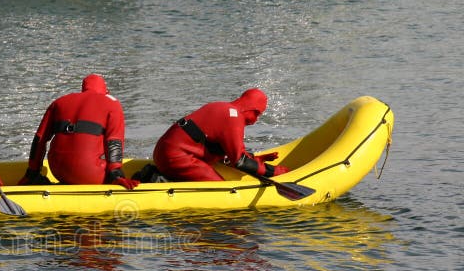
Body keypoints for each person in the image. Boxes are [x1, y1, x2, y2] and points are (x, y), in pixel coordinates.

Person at [18, 74, 139, 189]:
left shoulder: (59, 102)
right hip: (89, 173)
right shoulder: (112, 103)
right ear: (105, 91)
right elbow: (114, 141)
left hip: (58, 170)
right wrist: (116, 174)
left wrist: (31, 173)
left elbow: (39, 139)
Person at [149, 88, 288, 182]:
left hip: (163, 154)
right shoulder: (233, 117)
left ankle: (159, 177)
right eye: (257, 115)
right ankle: (160, 180)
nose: (255, 121)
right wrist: (273, 172)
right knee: (221, 186)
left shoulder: (223, 108)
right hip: (177, 158)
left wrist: (256, 160)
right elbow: (240, 162)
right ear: (254, 109)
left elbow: (225, 155)